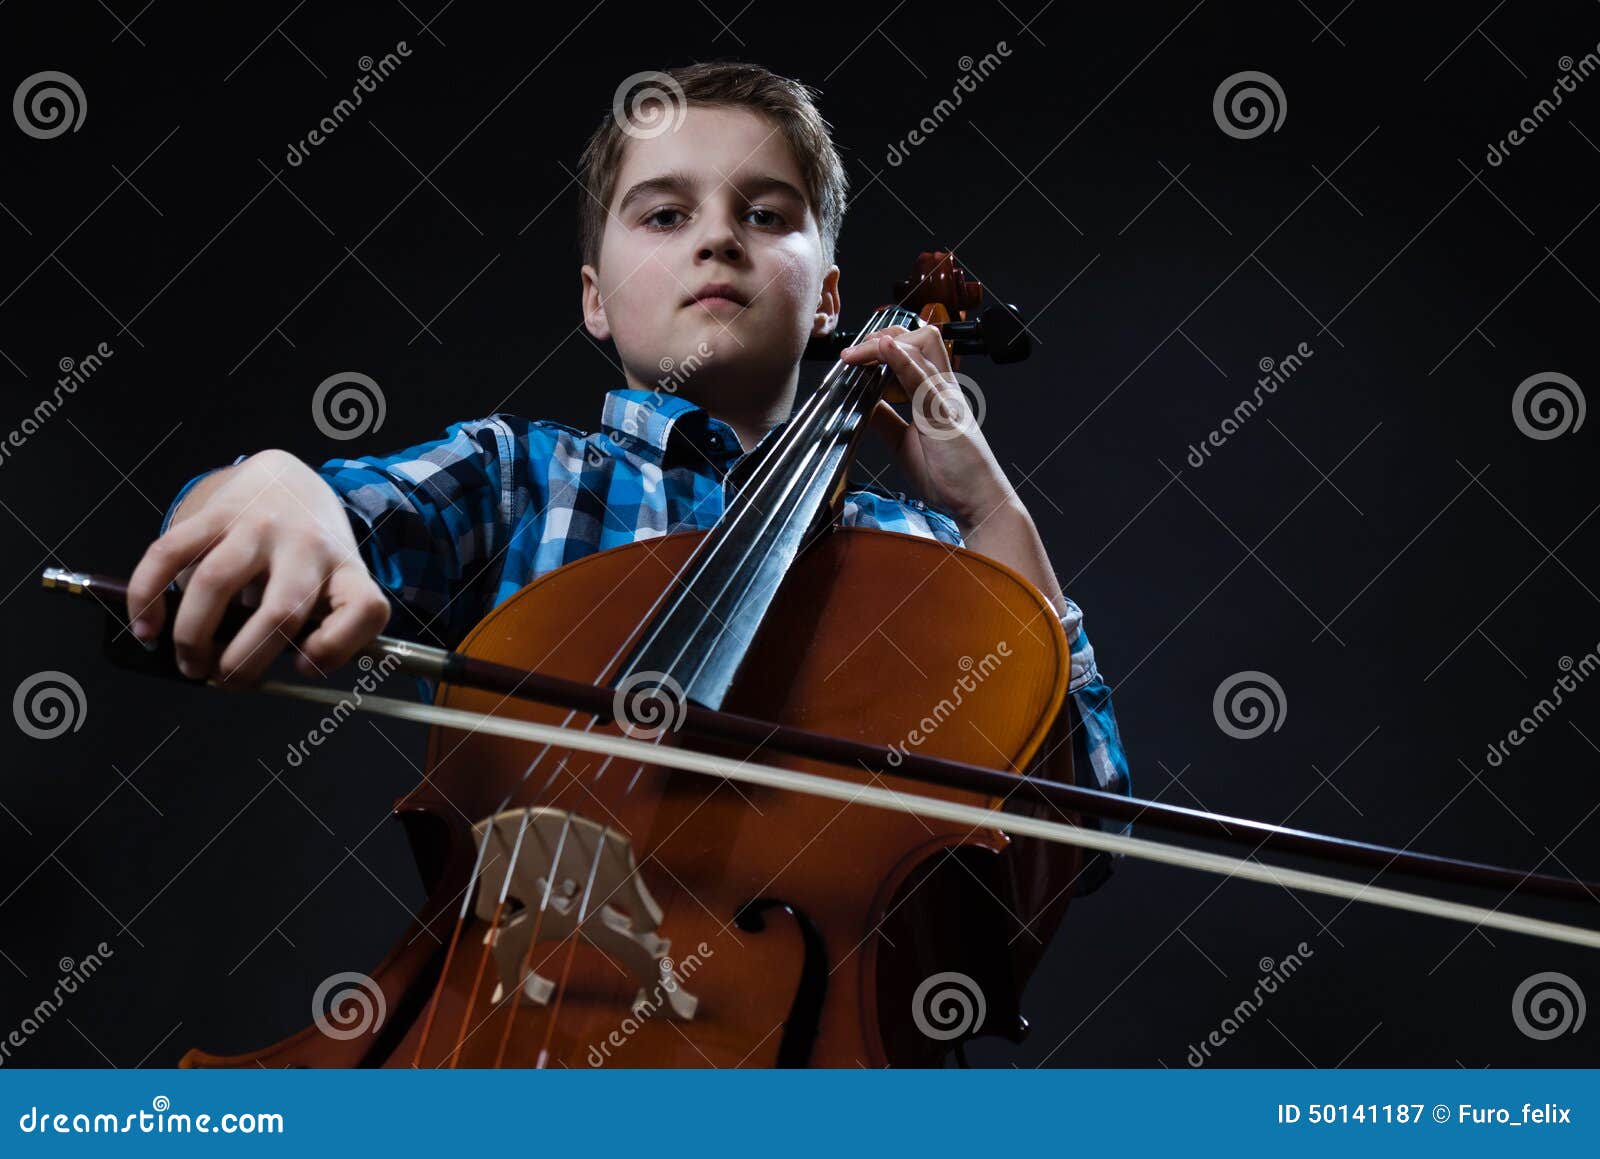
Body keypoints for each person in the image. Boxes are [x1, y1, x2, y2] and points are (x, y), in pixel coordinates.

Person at [125, 60, 1129, 897]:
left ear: (828, 299)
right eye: (664, 214)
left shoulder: (918, 558)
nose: (717, 236)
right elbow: (297, 521)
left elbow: (1073, 833)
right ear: (595, 300)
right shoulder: (521, 478)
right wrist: (277, 488)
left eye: (765, 213)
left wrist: (988, 510)